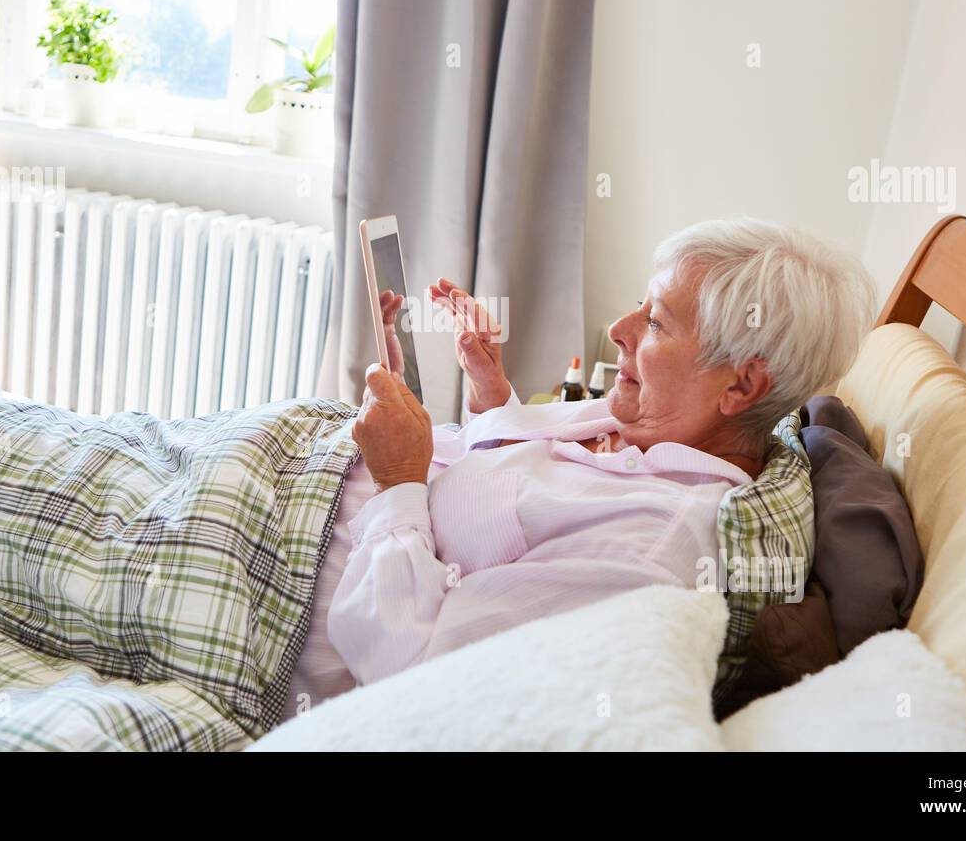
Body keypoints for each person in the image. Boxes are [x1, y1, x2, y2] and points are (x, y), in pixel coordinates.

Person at [285, 217, 876, 716]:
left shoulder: (649, 551)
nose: (618, 330)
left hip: (291, 573)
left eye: (655, 322)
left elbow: (408, 667)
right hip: (307, 465)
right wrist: (494, 399)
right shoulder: (653, 422)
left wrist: (397, 480)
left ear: (742, 385)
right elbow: (517, 496)